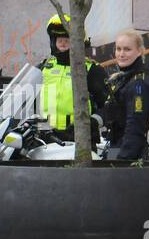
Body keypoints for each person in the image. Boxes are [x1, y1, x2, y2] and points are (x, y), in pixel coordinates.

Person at [38, 13, 110, 143]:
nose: (63, 44)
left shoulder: (91, 70)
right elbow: (28, 100)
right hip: (45, 136)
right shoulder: (44, 68)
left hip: (78, 138)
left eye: (67, 40)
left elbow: (109, 106)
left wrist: (92, 123)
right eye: (59, 40)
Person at [100, 29, 149, 160]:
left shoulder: (139, 82)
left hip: (128, 154)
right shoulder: (124, 78)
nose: (121, 54)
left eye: (127, 49)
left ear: (139, 51)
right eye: (118, 49)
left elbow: (135, 126)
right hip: (116, 148)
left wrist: (123, 161)